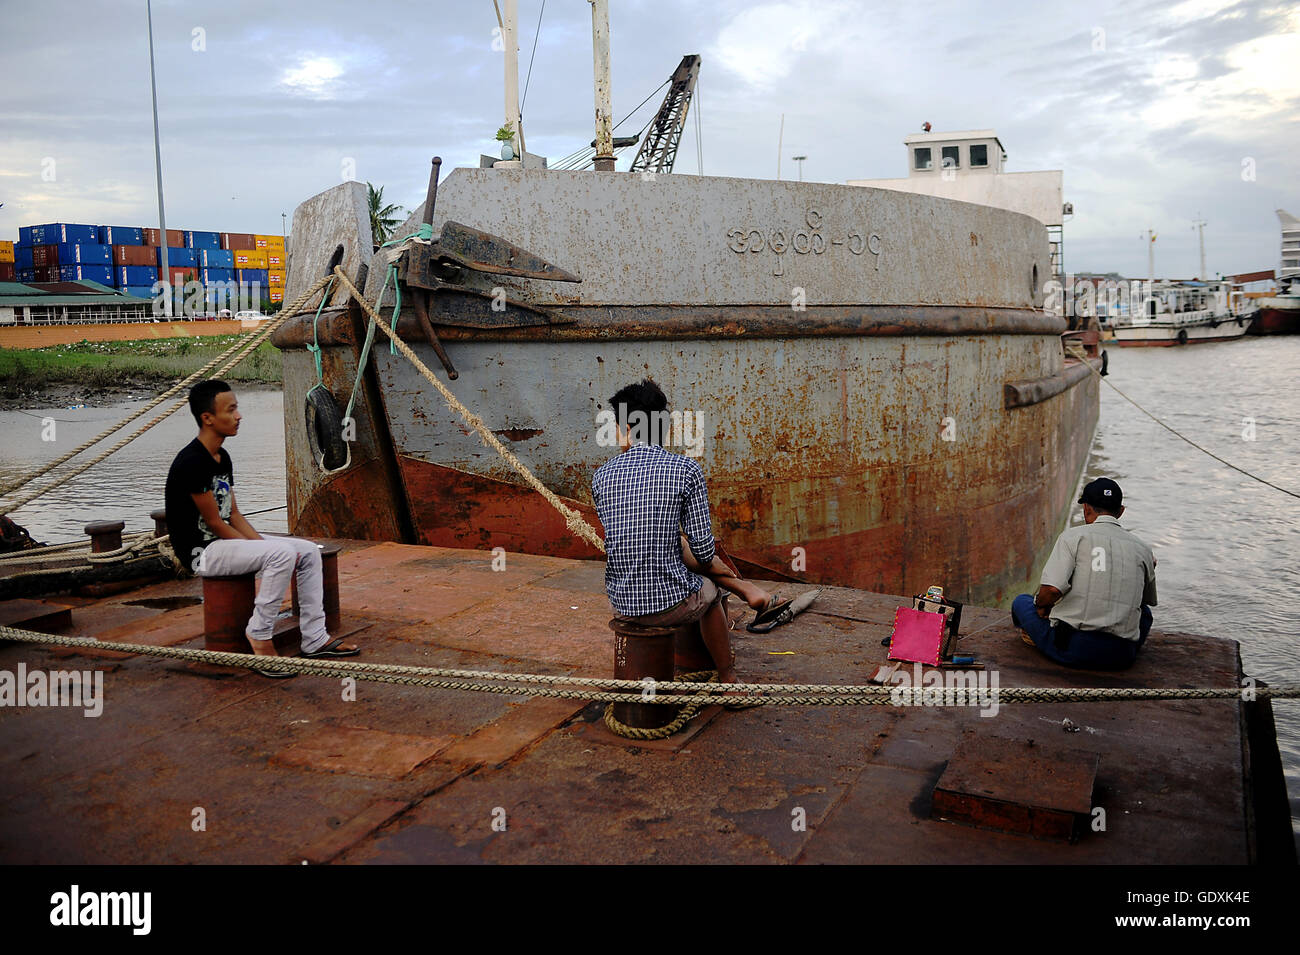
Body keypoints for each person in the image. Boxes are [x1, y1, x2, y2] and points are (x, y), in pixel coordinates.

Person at [165, 379, 359, 678]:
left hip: (223, 542)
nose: (239, 416)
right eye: (231, 410)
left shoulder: (222, 457)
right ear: (208, 418)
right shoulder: (192, 462)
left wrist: (261, 546)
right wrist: (264, 552)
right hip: (201, 550)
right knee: (280, 554)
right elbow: (215, 523)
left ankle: (315, 637)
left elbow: (234, 514)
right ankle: (259, 633)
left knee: (306, 551)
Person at [592, 380, 743, 684]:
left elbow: (628, 538)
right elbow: (702, 552)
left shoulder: (601, 476)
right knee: (712, 592)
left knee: (680, 566)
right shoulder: (685, 470)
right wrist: (724, 575)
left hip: (621, 603)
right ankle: (728, 679)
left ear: (625, 427)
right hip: (667, 606)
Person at [1011, 477, 1157, 670]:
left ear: (1086, 508)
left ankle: (1033, 636)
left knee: (1021, 602)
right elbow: (1145, 602)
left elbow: (1053, 590)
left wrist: (1041, 605)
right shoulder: (1143, 549)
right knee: (1144, 612)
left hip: (1074, 650)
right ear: (1120, 512)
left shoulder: (1072, 537)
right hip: (1122, 655)